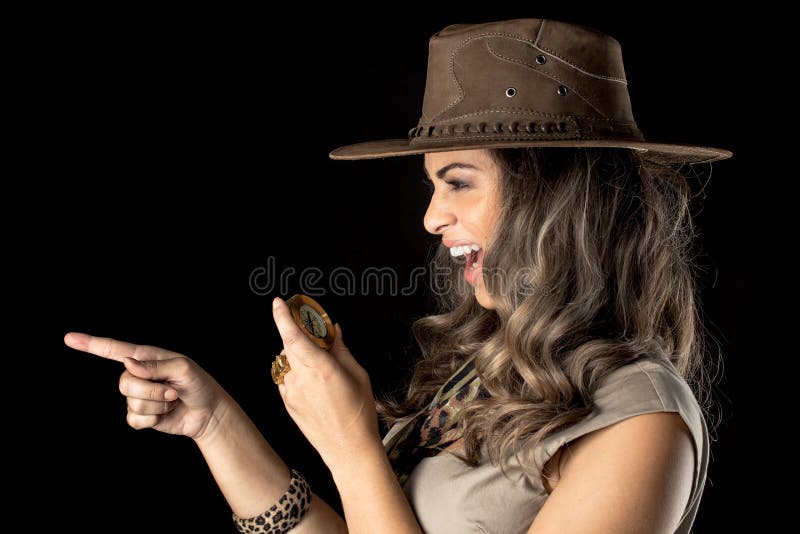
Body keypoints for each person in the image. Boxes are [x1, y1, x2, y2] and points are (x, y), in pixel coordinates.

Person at [64, 17, 733, 534]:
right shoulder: (500, 367)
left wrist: (353, 447)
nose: (432, 218)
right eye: (433, 186)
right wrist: (213, 423)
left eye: (459, 182)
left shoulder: (640, 418)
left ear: (554, 197)